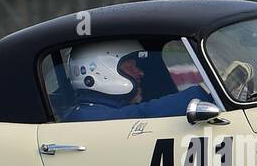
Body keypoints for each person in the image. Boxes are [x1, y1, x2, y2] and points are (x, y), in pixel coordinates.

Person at [64, 42, 208, 121]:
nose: (140, 72)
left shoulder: (104, 109)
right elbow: (143, 113)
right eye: (131, 66)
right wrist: (204, 93)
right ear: (101, 70)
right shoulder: (86, 116)